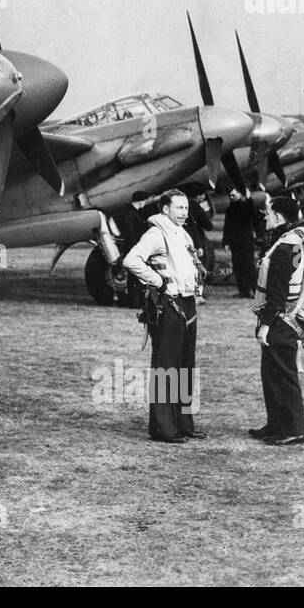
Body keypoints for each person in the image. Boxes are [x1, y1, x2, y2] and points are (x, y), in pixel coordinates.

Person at [122, 190, 205, 444]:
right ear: (166, 209)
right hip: (168, 305)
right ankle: (163, 427)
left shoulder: (183, 233)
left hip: (187, 303)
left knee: (185, 366)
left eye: (186, 207)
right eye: (178, 208)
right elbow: (131, 260)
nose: (184, 212)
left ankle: (183, 423)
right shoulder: (156, 233)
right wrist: (159, 281)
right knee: (166, 367)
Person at [248, 195, 304, 446]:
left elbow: (277, 291)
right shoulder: (300, 238)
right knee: (271, 372)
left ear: (278, 216)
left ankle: (294, 429)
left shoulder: (286, 245)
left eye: (268, 214)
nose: (265, 218)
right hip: (290, 316)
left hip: (283, 319)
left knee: (284, 374)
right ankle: (276, 424)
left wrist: (265, 325)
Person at [222, 187, 258, 298]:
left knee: (249, 265)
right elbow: (227, 226)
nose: (231, 196)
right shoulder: (229, 209)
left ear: (239, 194)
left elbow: (253, 213)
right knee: (238, 266)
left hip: (246, 241)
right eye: (230, 195)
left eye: (234, 194)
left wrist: (249, 198)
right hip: (235, 242)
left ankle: (256, 291)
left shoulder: (245, 206)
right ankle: (244, 291)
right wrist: (226, 242)